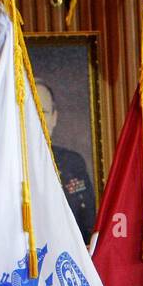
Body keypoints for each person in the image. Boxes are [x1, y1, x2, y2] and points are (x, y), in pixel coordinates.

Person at [34, 80, 97, 242]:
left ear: (54, 117)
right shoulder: (6, 168)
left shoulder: (72, 163)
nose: (38, 119)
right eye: (31, 112)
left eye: (44, 112)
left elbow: (89, 222)